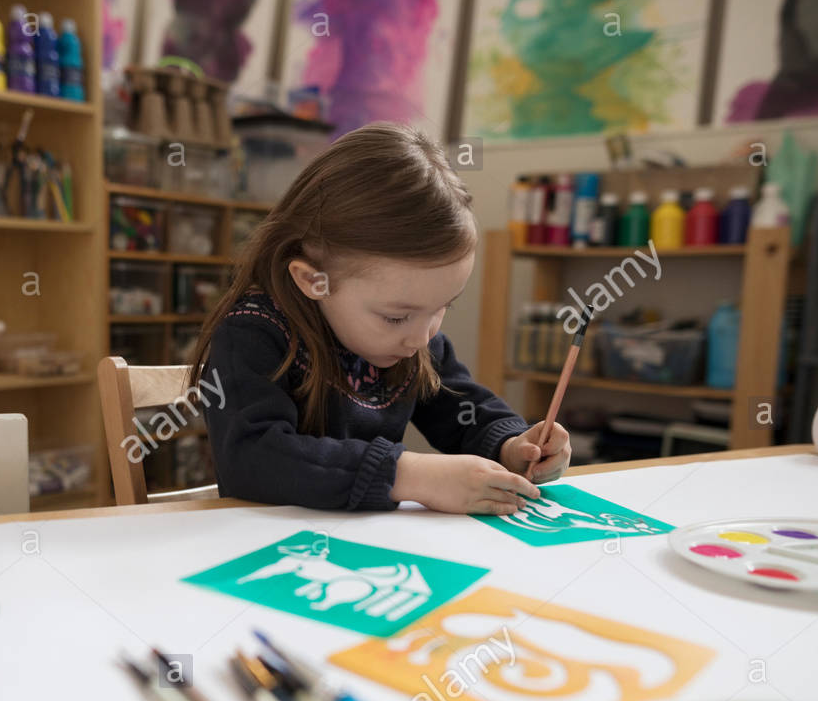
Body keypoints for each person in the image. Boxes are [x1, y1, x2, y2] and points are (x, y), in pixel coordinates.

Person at [186, 123, 571, 514]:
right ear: (311, 280)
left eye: (442, 308)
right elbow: (252, 460)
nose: (422, 338)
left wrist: (513, 444)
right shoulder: (253, 332)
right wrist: (410, 474)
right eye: (395, 317)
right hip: (263, 548)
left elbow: (462, 408)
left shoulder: (412, 334)